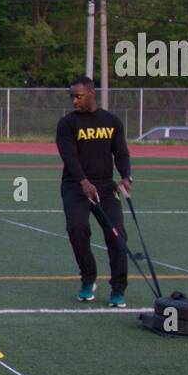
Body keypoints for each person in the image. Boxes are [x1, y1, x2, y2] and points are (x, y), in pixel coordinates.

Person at [56, 77, 132, 308]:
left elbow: (121, 152)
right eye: (71, 96)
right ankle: (88, 278)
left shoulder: (111, 121)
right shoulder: (67, 123)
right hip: (75, 186)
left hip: (106, 187)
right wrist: (83, 182)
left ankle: (118, 289)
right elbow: (69, 156)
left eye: (78, 96)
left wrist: (126, 176)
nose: (74, 101)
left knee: (117, 236)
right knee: (77, 229)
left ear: (91, 93)